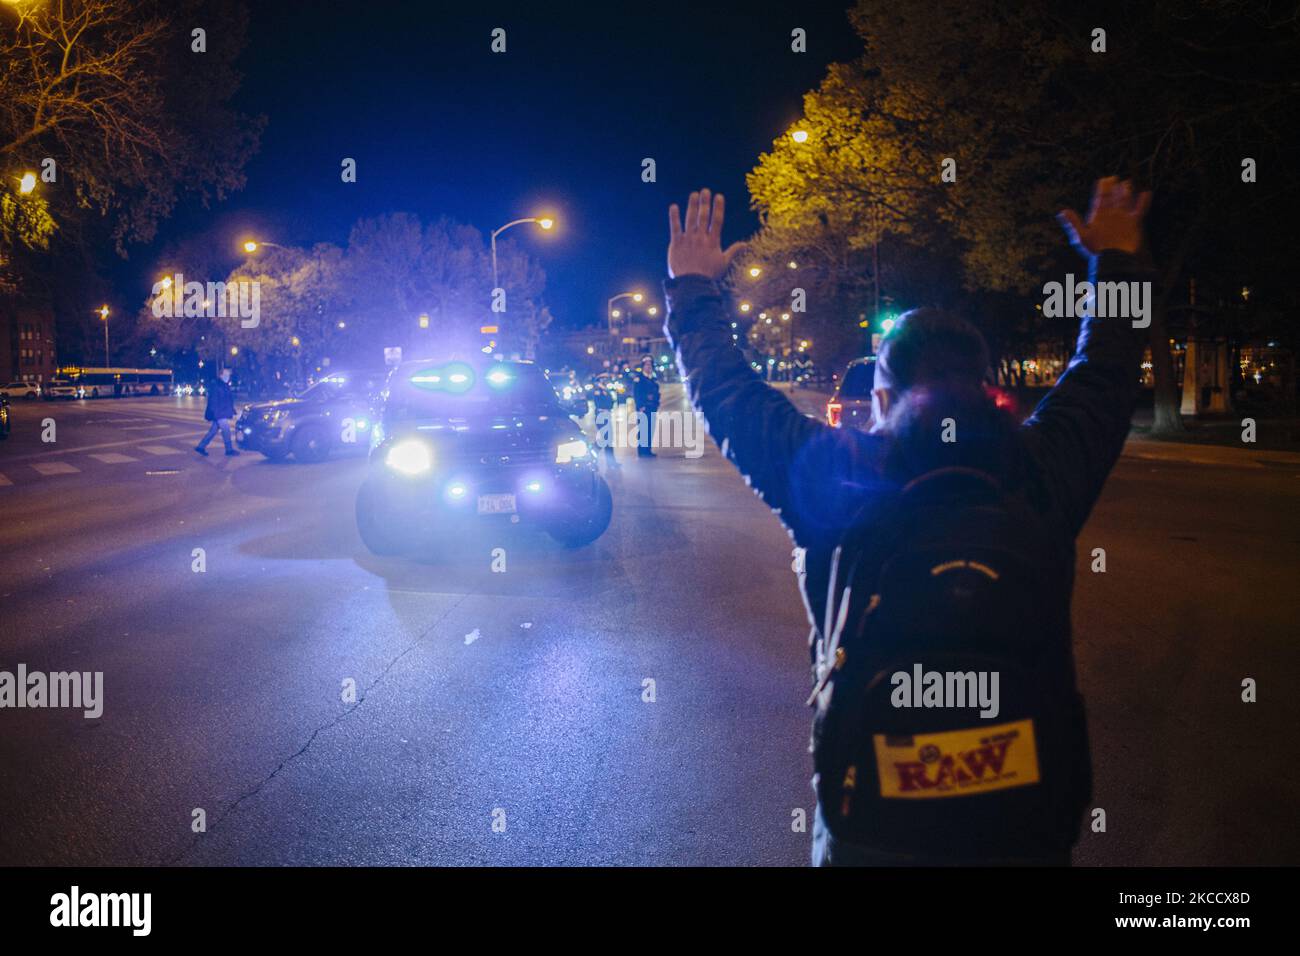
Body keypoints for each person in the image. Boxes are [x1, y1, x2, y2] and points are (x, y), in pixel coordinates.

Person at [663, 179, 1153, 865]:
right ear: (987, 388)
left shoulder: (839, 475)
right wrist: (1118, 265)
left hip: (874, 827)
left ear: (883, 395)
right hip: (1022, 827)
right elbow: (1107, 369)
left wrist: (691, 287)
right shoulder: (1041, 472)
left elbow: (724, 390)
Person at [195, 366, 240, 457]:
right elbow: (213, 401)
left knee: (213, 431)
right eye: (226, 374)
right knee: (226, 431)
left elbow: (227, 400)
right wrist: (216, 413)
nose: (228, 376)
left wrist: (232, 410)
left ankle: (201, 447)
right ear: (221, 375)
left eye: (229, 375)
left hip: (221, 412)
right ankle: (229, 450)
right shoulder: (217, 385)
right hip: (219, 413)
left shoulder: (224, 385)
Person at [589, 374, 620, 470]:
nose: (605, 381)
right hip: (601, 416)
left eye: (605, 380)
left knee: (607, 440)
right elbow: (602, 403)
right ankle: (593, 452)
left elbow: (611, 402)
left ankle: (611, 462)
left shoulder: (605, 390)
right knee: (605, 440)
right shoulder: (597, 391)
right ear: (598, 381)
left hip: (606, 415)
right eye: (602, 379)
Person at [632, 356, 661, 458]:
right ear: (643, 366)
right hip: (643, 408)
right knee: (643, 430)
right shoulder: (639, 378)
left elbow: (657, 393)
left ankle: (648, 450)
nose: (649, 367)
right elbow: (636, 394)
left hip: (652, 408)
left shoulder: (653, 378)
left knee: (650, 429)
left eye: (650, 365)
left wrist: (656, 404)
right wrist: (640, 406)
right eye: (647, 365)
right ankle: (641, 451)